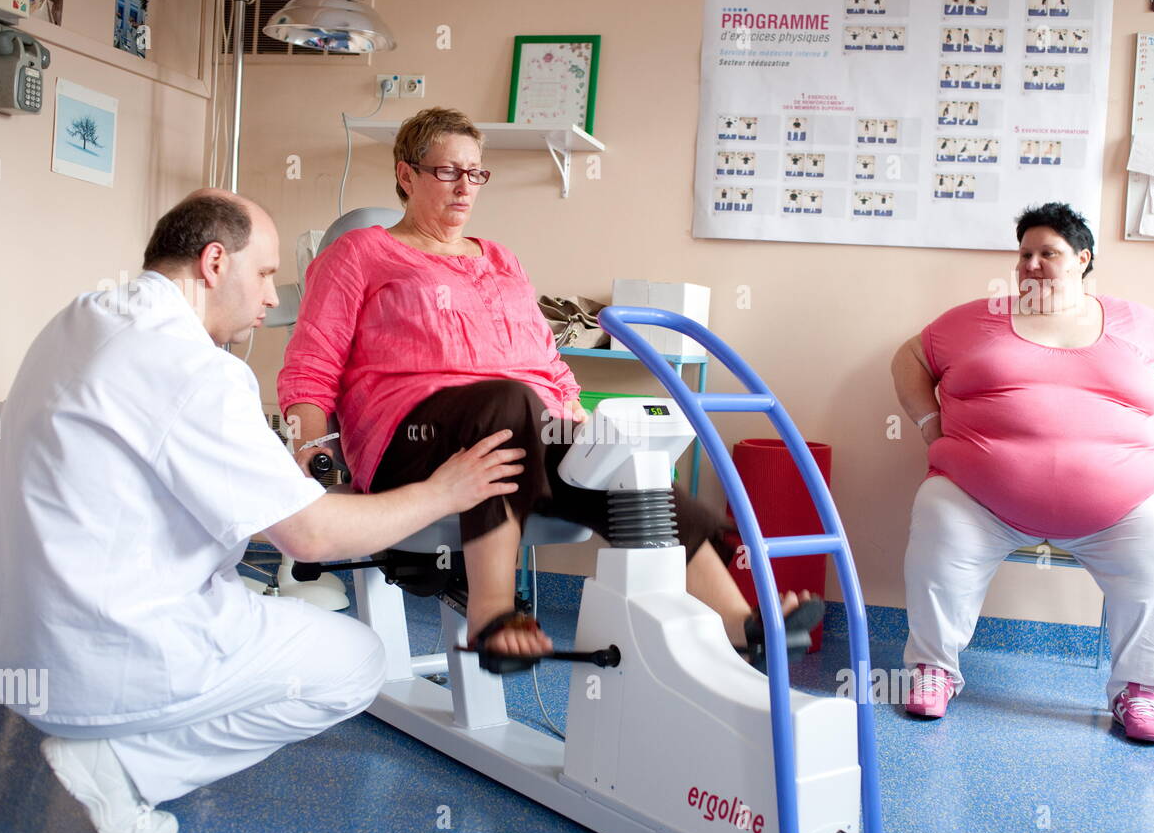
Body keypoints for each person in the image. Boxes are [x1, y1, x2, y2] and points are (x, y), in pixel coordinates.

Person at [0, 190, 527, 833]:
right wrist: (442, 491)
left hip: (2, 639)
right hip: (94, 651)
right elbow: (310, 536)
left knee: (243, 598)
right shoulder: (197, 369)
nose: (269, 299)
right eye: (263, 275)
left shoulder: (84, 315)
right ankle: (123, 765)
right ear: (215, 262)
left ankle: (120, 731)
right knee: (357, 663)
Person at [278, 107, 819, 669]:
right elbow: (310, 365)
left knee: (624, 450)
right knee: (506, 400)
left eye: (476, 173)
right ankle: (492, 614)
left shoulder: (501, 259)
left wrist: (583, 432)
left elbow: (549, 364)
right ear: (406, 174)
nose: (466, 187)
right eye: (447, 172)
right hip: (412, 441)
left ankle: (742, 623)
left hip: (521, 425)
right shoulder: (361, 253)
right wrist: (311, 457)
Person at [890, 202, 1154, 743]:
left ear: (1083, 259)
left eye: (1049, 252)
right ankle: (932, 670)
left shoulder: (1137, 324)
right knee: (937, 514)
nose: (1032, 264)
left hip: (1123, 504)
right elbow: (910, 357)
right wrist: (930, 423)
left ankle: (1137, 692)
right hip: (979, 499)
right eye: (1024, 254)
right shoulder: (977, 319)